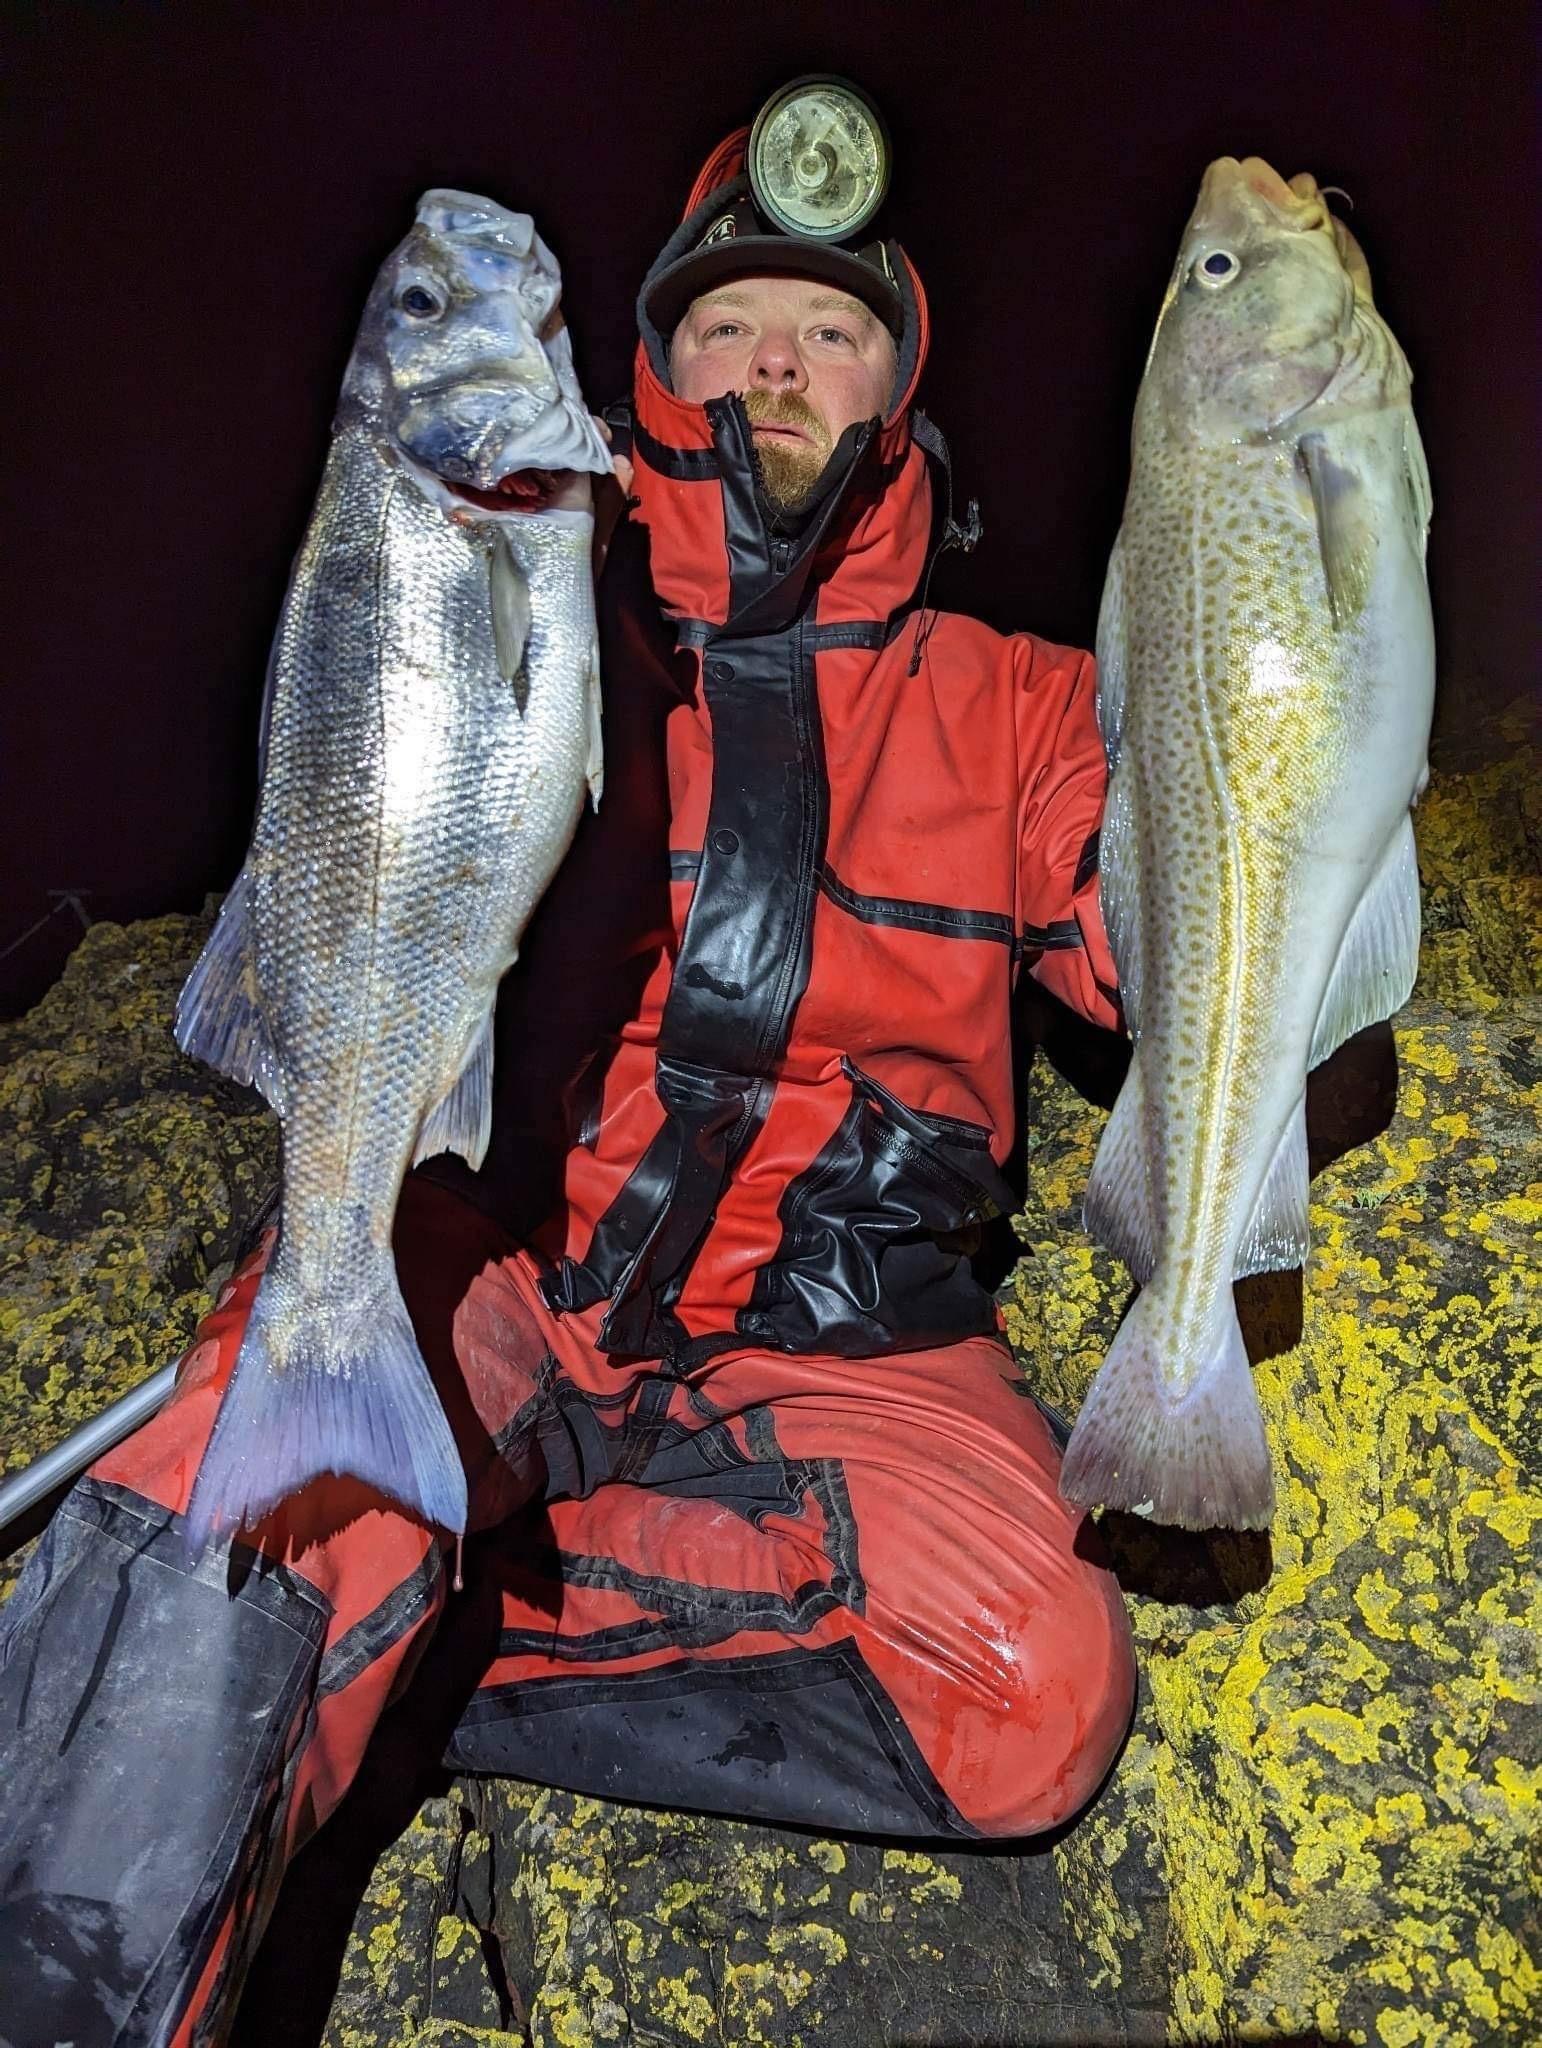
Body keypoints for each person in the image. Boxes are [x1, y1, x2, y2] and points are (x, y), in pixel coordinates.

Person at [0, 112, 1136, 2047]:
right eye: (729, 326)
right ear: (645, 367)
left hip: (851, 1344)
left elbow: (1146, 973)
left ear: (899, 387)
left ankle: (396, 1658)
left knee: (1026, 1687)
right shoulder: (555, 582)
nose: (777, 362)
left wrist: (1277, 706)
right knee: (235, 1499)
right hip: (519, 1265)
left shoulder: (1024, 703)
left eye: (830, 332)